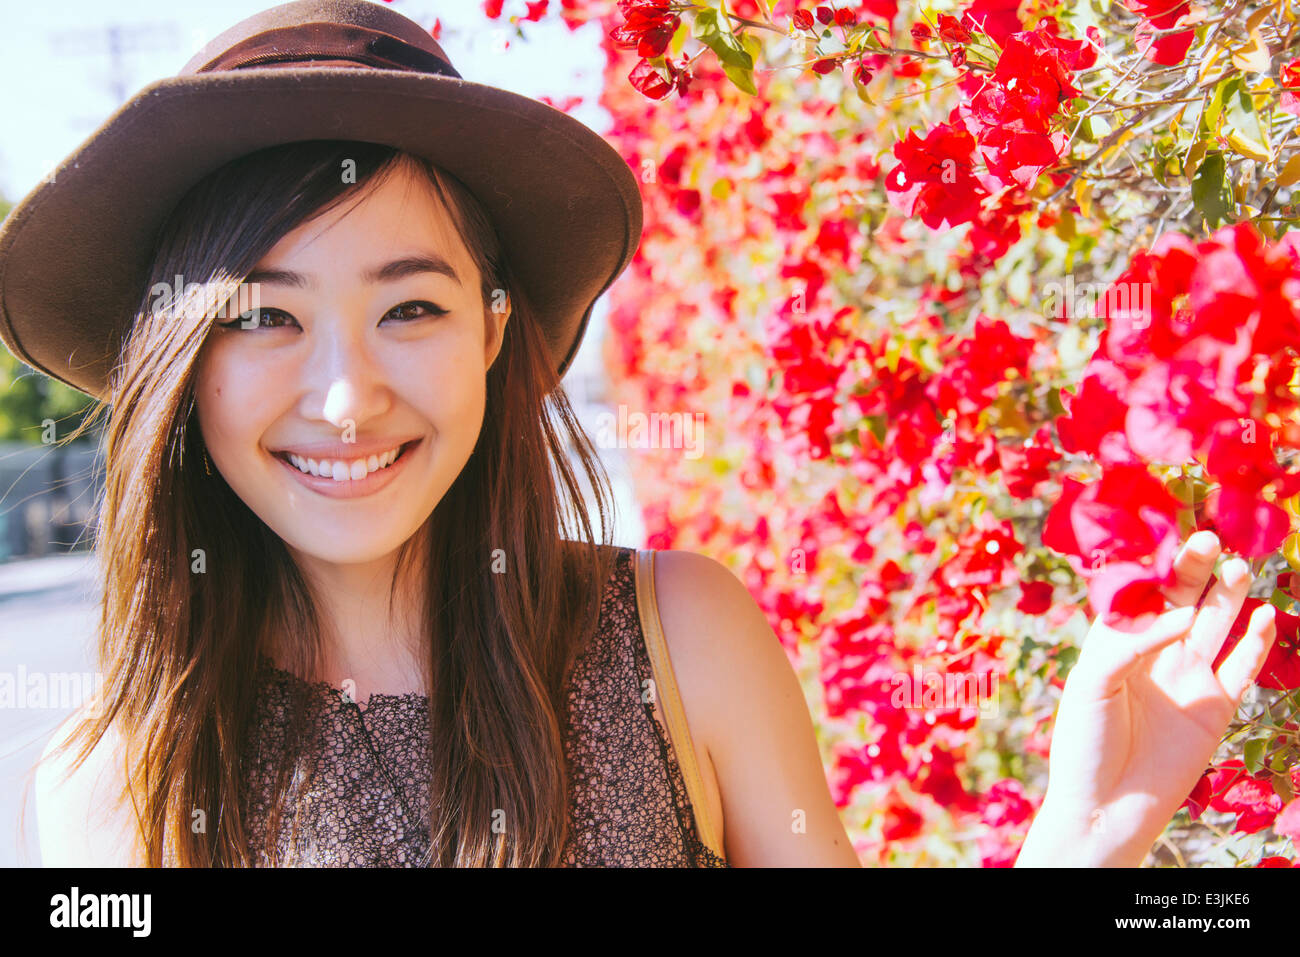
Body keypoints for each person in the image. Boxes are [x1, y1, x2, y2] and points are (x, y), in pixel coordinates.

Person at [5, 1, 1277, 868]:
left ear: (495, 333)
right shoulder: (122, 777)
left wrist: (1077, 839)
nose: (345, 397)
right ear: (175, 367)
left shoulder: (679, 636)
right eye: (260, 319)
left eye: (409, 305)